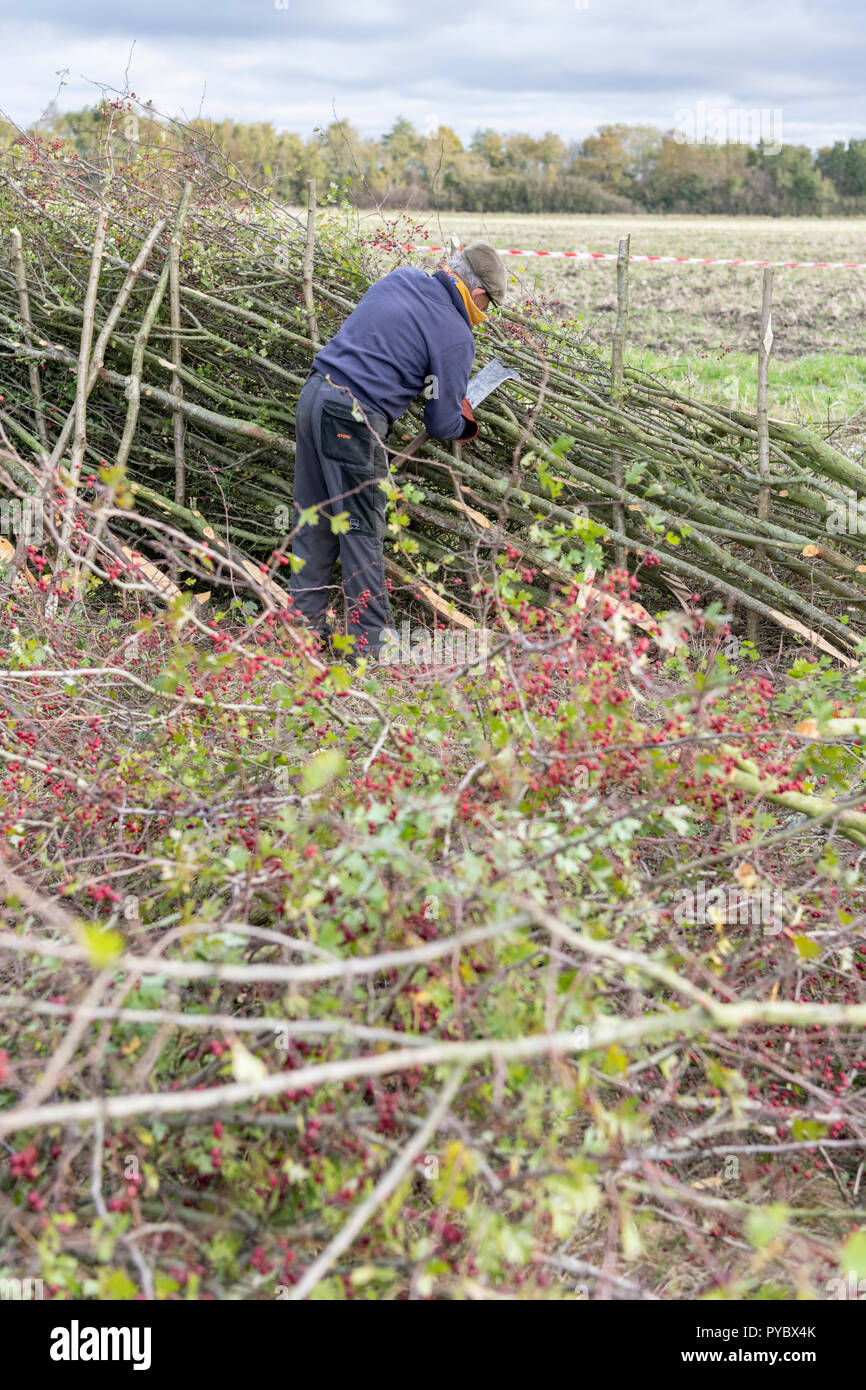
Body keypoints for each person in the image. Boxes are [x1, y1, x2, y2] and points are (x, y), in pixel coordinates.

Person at [289, 242, 507, 662]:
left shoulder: (401, 277)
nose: (486, 316)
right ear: (478, 294)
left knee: (313, 520)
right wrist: (464, 419)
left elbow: (386, 345)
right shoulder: (455, 334)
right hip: (351, 420)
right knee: (359, 531)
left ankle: (302, 633)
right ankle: (370, 648)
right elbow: (442, 422)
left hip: (314, 394)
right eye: (489, 306)